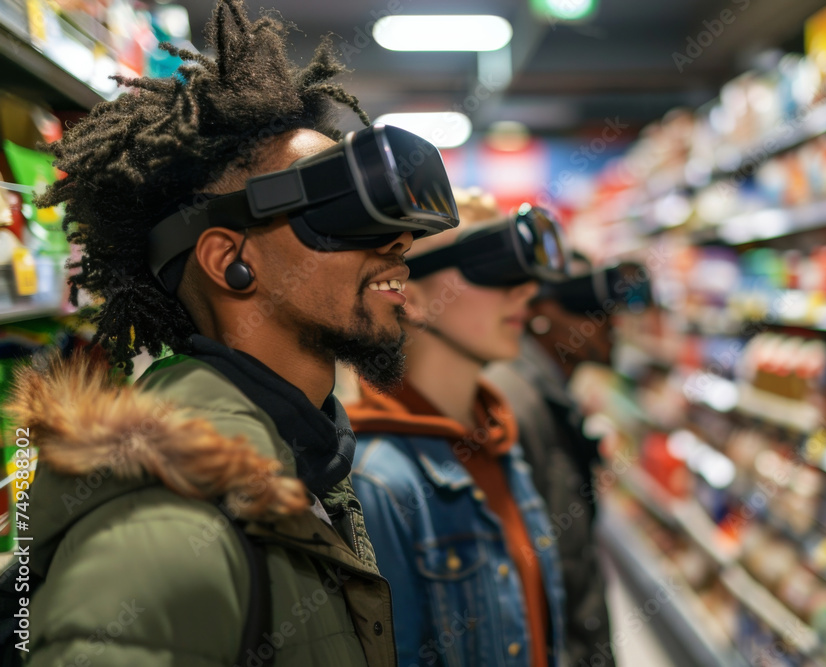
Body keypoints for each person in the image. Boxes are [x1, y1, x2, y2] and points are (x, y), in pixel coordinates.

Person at [0, 1, 461, 665]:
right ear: (228, 261)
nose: (398, 243)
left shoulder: (306, 460)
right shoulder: (166, 521)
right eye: (341, 213)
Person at [346, 189, 568, 667]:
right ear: (413, 297)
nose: (525, 291)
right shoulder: (379, 481)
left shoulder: (498, 439)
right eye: (491, 264)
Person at [485, 257, 653, 667]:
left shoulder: (544, 390)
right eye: (592, 312)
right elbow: (545, 561)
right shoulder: (515, 402)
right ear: (543, 314)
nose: (612, 326)